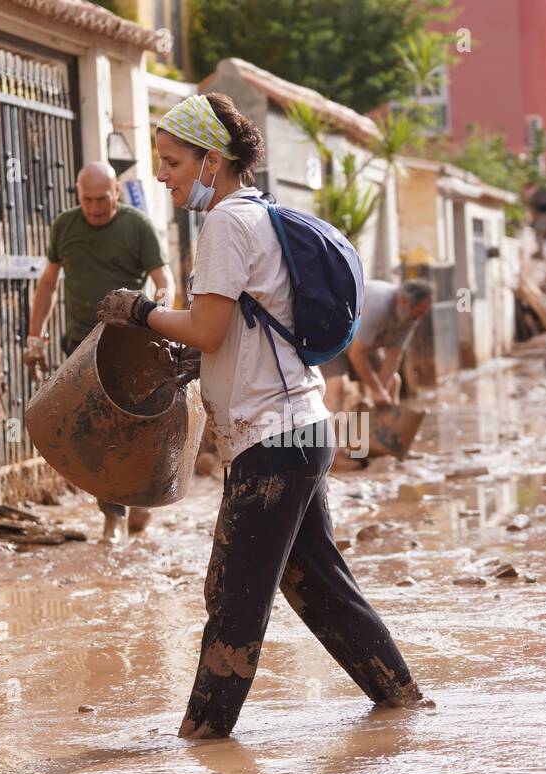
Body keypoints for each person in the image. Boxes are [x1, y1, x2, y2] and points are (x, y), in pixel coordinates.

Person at [95, 92, 432, 739]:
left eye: (171, 162)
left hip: (273, 440)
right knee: (320, 588)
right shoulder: (254, 215)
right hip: (297, 430)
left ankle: (202, 739)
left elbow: (212, 327)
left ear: (211, 161)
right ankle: (401, 701)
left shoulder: (224, 224)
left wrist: (138, 311)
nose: (161, 175)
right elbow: (237, 333)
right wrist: (194, 357)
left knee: (232, 599)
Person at [25, 161, 174, 538]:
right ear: (78, 195)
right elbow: (47, 284)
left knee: (137, 425)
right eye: (87, 199)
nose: (94, 207)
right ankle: (113, 516)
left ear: (117, 193)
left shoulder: (135, 226)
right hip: (81, 345)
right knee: (94, 431)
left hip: (130, 343)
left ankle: (140, 496)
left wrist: (160, 313)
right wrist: (34, 338)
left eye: (102, 199)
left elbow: (163, 279)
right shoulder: (65, 226)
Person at [320, 278, 434, 413]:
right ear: (403, 301)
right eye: (419, 312)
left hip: (362, 345)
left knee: (393, 383)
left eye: (422, 313)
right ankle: (333, 433)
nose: (419, 318)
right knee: (338, 385)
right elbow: (356, 354)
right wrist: (377, 390)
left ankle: (382, 432)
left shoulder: (411, 316)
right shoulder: (378, 304)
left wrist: (381, 391)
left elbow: (394, 354)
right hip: (334, 340)